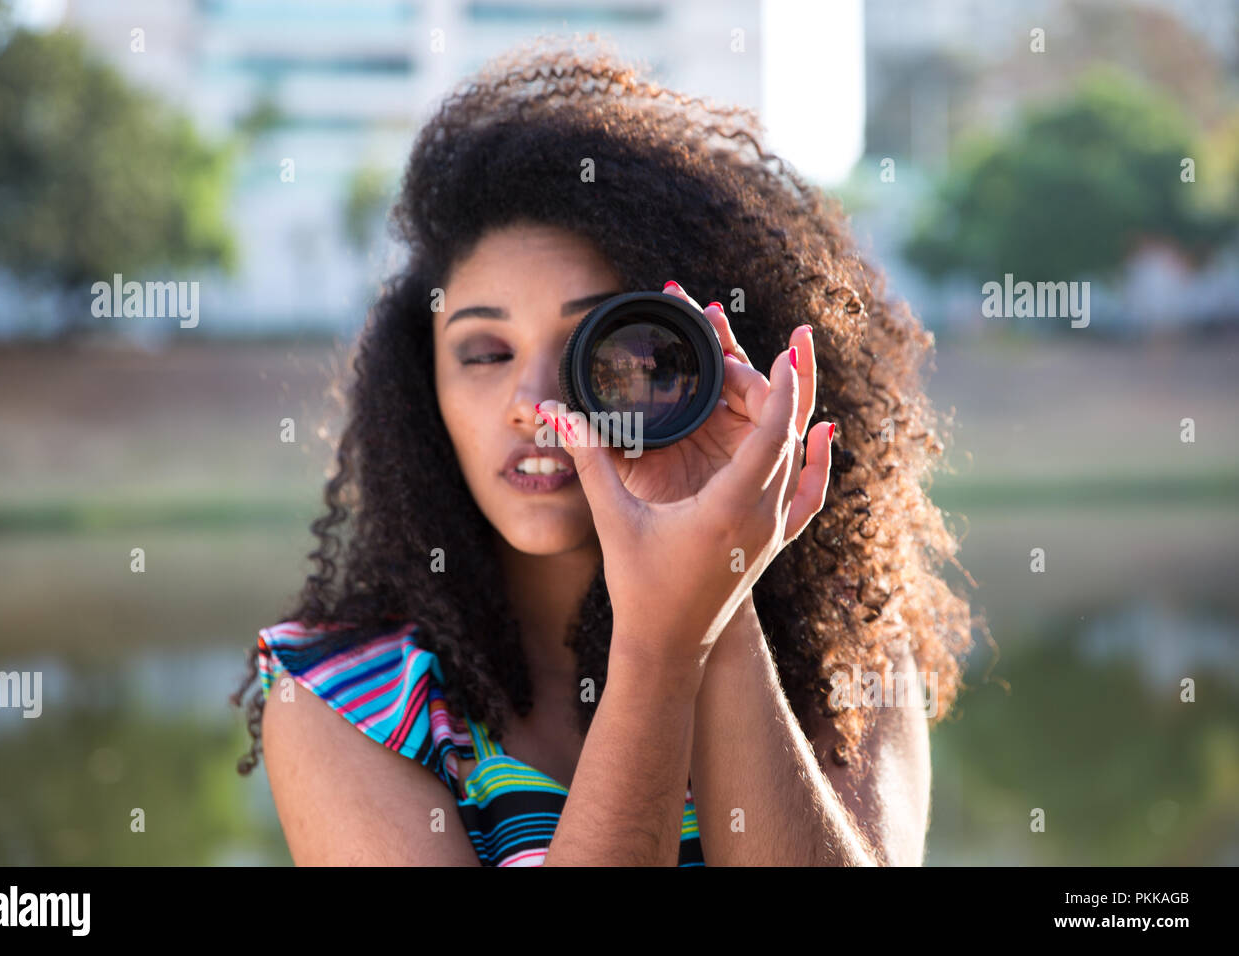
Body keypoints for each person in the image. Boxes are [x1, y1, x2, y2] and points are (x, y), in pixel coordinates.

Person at [230, 35, 973, 867]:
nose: (536, 403)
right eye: (485, 353)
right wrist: (660, 647)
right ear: (421, 398)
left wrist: (718, 593)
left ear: (696, 368)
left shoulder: (846, 647)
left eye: (603, 352)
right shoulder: (338, 697)